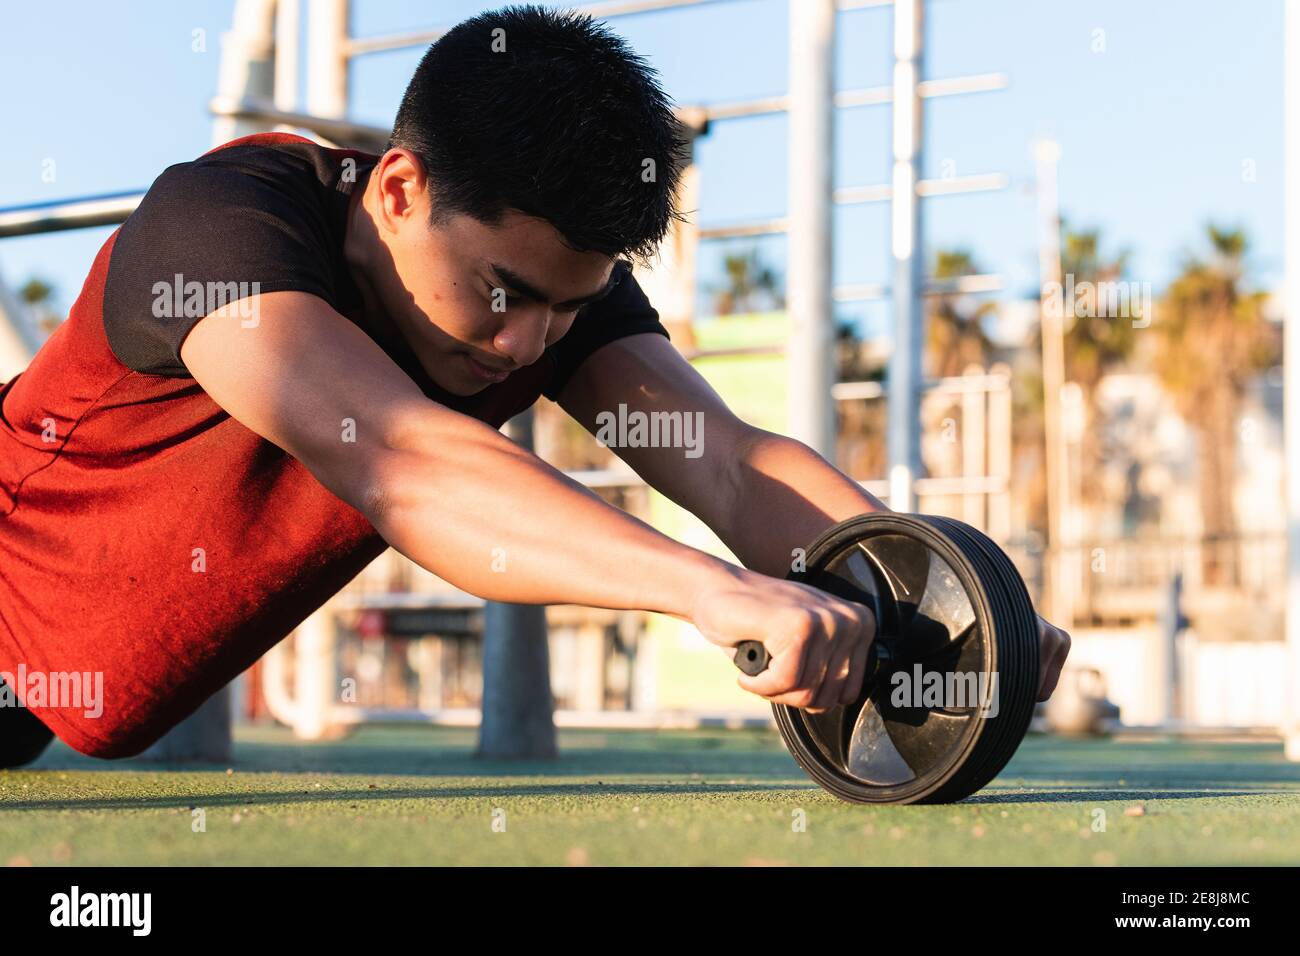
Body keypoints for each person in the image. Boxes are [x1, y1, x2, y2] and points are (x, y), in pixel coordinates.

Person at [0, 4, 1070, 766]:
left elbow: (728, 463)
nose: (526, 345)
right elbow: (400, 458)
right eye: (501, 291)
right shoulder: (221, 227)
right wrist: (706, 588)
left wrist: (955, 604)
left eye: (565, 307)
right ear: (400, 186)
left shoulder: (545, 296)